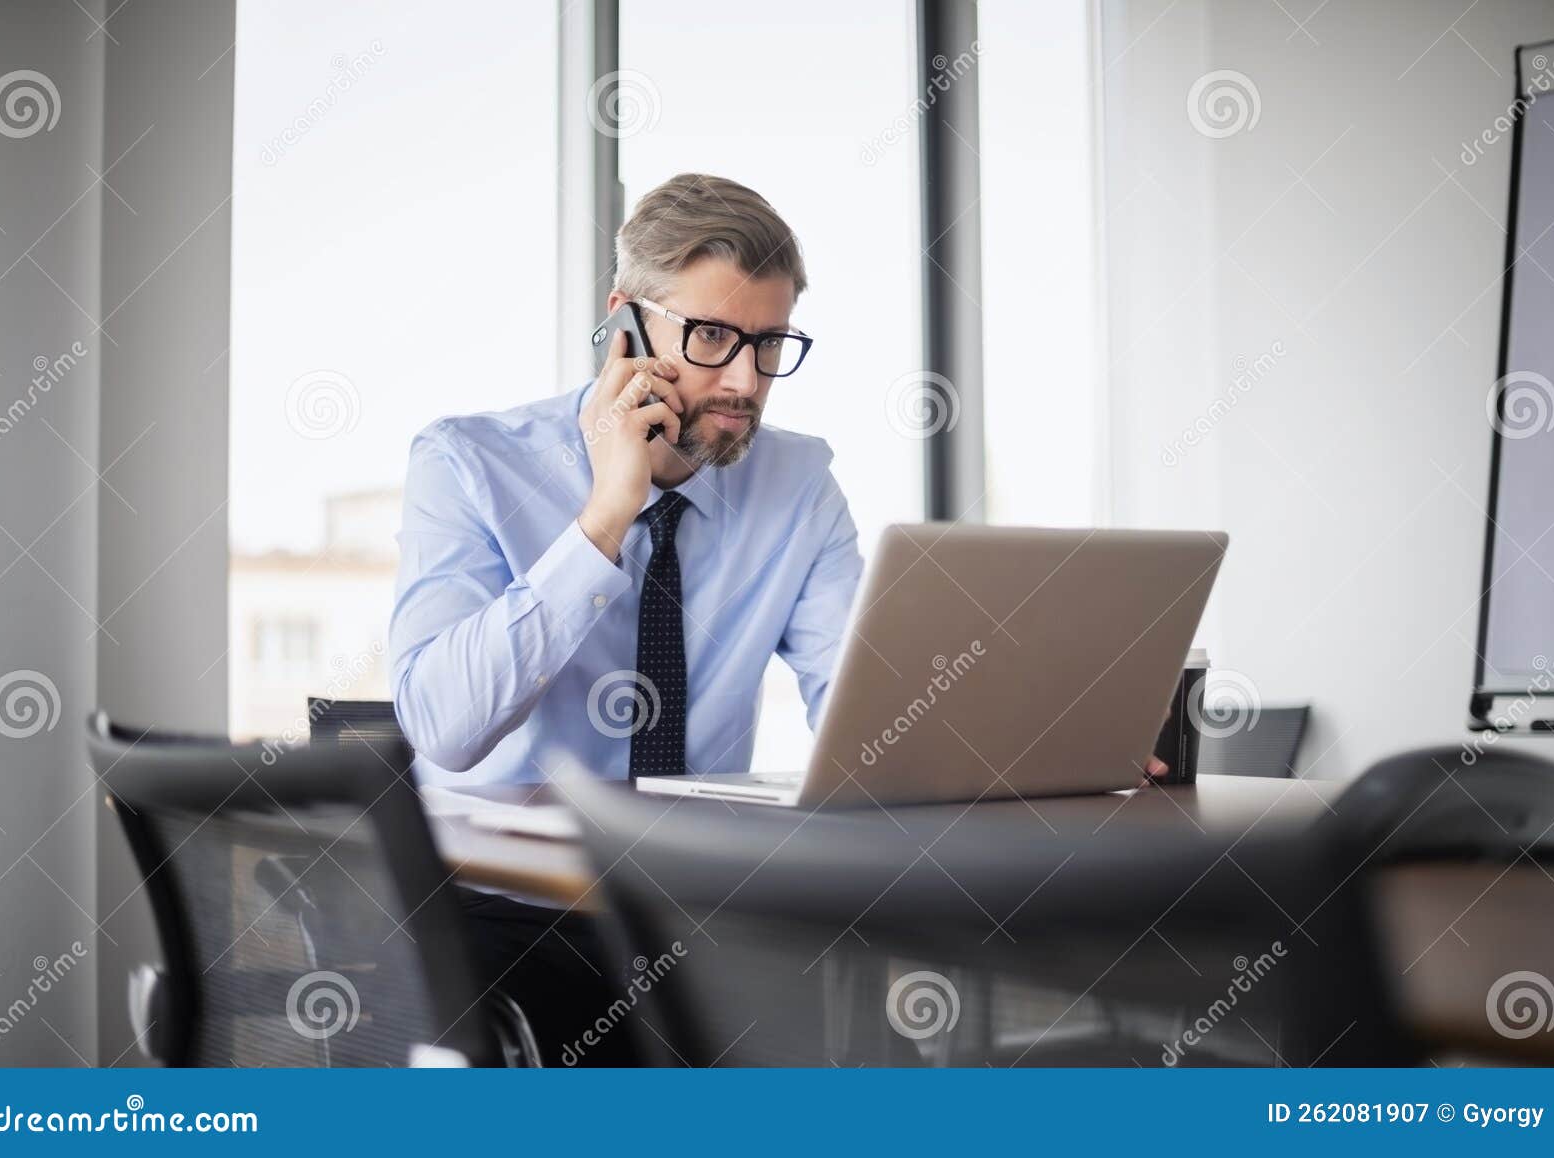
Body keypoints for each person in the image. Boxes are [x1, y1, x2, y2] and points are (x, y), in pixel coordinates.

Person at [389, 172, 1168, 1064]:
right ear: (627, 322)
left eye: (769, 344)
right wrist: (604, 516)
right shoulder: (468, 462)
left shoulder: (797, 486)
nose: (744, 380)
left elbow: (871, 705)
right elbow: (444, 726)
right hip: (502, 916)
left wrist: (1047, 748)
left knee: (888, 1066)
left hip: (701, 916)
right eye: (713, 337)